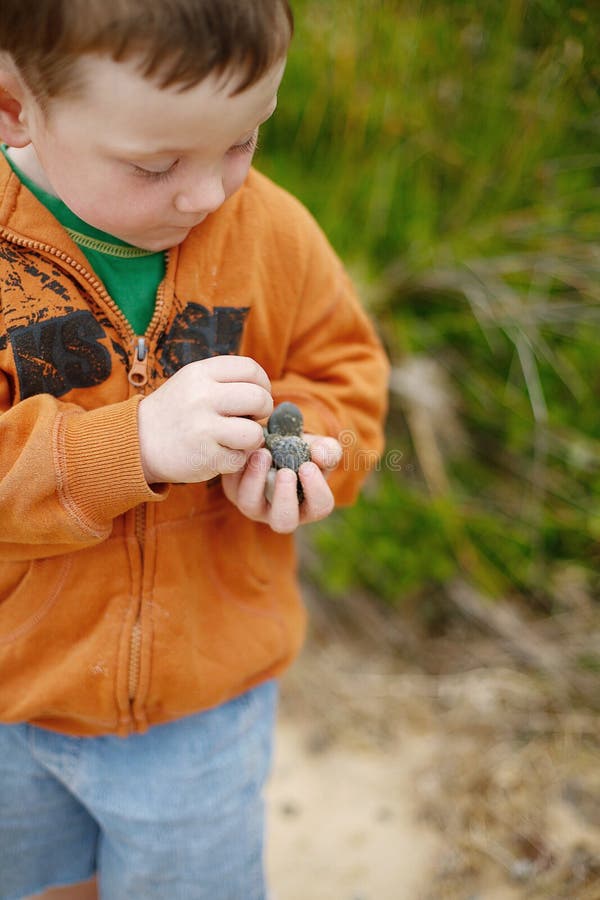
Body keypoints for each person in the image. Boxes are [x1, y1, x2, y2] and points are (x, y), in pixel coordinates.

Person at [0, 1, 389, 898]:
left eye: (244, 141)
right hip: (14, 692)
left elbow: (345, 370)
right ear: (16, 107)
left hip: (202, 711)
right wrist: (125, 444)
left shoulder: (274, 232)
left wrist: (300, 442)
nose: (208, 194)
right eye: (155, 163)